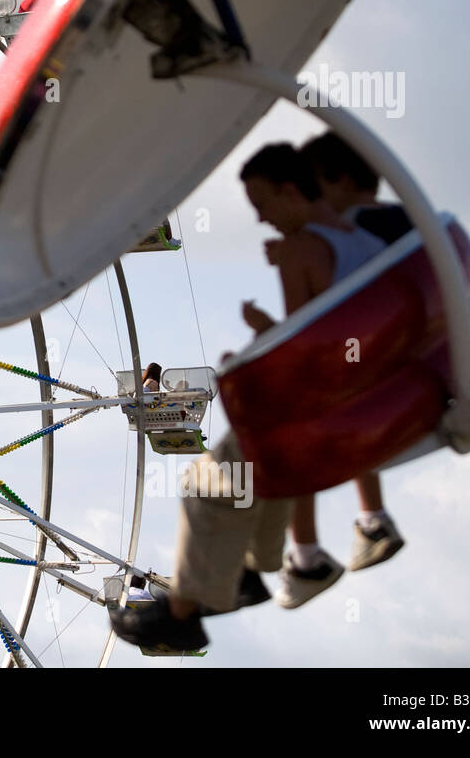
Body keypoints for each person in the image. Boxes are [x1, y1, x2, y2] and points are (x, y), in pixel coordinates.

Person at [111, 143, 386, 651]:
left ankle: (182, 612)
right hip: (357, 396)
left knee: (207, 485)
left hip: (313, 407)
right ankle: (267, 569)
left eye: (261, 204)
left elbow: (309, 342)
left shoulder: (305, 248)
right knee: (264, 481)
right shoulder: (367, 241)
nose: (259, 218)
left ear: (291, 189)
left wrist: (259, 342)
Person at [295, 131, 410, 578]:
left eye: (314, 192)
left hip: (372, 359)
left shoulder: (351, 234)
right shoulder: (412, 219)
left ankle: (302, 557)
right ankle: (371, 518)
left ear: (337, 181)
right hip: (412, 354)